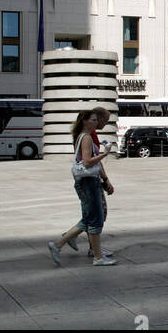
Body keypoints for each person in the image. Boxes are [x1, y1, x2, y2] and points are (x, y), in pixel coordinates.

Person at [48, 110, 116, 266]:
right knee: (96, 218)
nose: (96, 122)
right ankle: (97, 257)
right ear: (84, 121)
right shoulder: (85, 138)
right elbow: (87, 162)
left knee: (89, 218)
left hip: (87, 181)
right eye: (93, 120)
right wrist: (104, 154)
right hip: (88, 182)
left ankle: (59, 244)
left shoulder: (83, 136)